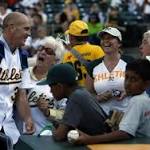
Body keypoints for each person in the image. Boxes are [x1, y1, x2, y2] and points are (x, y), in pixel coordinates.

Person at [75, 59, 150, 145]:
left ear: (146, 84)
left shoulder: (137, 101)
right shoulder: (144, 98)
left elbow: (125, 133)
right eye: (126, 77)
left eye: (133, 80)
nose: (127, 83)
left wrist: (90, 139)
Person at [37, 63, 109, 141]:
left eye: (51, 87)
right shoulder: (81, 92)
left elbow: (59, 136)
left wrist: (55, 131)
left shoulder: (76, 97)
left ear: (60, 86)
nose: (51, 91)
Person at [0, 12, 35, 144]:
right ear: (11, 27)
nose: (29, 33)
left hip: (8, 125)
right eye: (26, 28)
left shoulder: (22, 55)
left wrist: (27, 118)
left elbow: (21, 94)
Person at [86, 27, 134, 115]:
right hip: (101, 117)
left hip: (127, 115)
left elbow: (141, 86)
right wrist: (97, 97)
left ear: (119, 43)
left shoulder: (130, 62)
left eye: (110, 38)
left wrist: (127, 92)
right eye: (103, 38)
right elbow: (88, 94)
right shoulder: (93, 66)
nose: (105, 41)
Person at [27, 36, 67, 135]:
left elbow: (64, 115)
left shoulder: (59, 83)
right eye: (41, 48)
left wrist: (48, 111)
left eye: (49, 51)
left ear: (56, 60)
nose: (43, 52)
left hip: (44, 140)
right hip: (17, 138)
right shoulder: (22, 74)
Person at [62, 20, 105, 86]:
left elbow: (65, 79)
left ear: (72, 38)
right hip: (95, 91)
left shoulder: (67, 55)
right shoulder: (97, 50)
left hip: (77, 93)